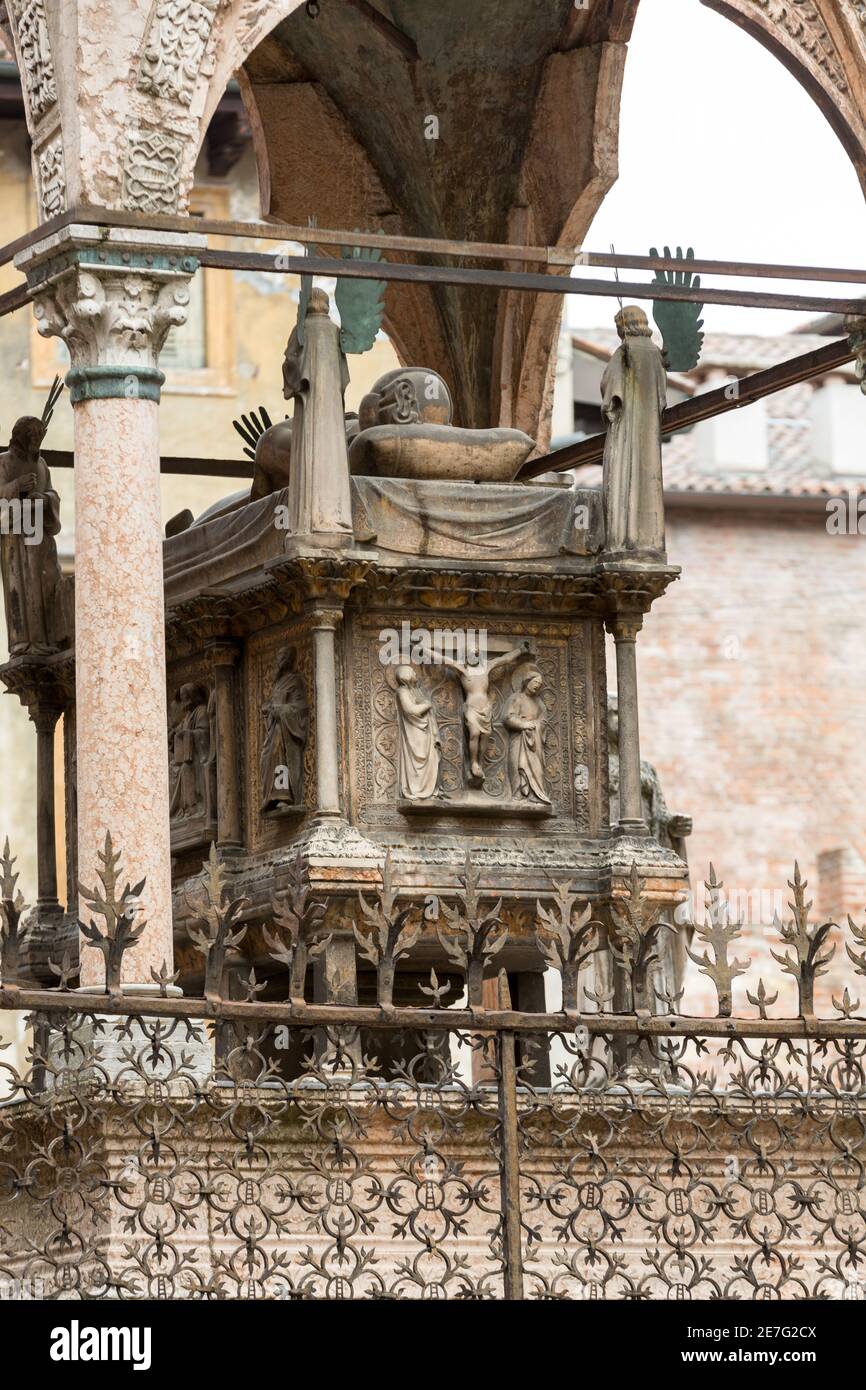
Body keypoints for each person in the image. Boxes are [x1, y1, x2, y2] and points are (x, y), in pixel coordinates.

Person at [436, 641, 533, 786]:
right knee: (474, 734)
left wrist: (520, 650)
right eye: (471, 652)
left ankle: (480, 764)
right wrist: (421, 649)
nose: (474, 654)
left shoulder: (486, 667)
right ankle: (473, 762)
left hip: (485, 709)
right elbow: (442, 660)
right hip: (472, 708)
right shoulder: (463, 670)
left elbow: (505, 659)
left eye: (476, 652)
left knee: (486, 736)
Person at [260, 646, 308, 812]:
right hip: (275, 727)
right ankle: (271, 796)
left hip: (285, 728)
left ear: (288, 660)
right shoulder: (277, 683)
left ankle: (283, 795)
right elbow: (273, 705)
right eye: (278, 657)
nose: (279, 661)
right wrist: (269, 709)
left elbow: (301, 707)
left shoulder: (295, 681)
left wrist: (282, 710)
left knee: (279, 754)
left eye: (283, 657)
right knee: (266, 756)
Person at [503, 668, 551, 803]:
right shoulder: (516, 698)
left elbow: (543, 721)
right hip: (519, 740)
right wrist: (524, 724)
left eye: (540, 685)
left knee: (537, 770)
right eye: (535, 682)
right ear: (527, 681)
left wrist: (536, 725)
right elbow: (508, 718)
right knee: (518, 765)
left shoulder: (539, 703)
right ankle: (518, 795)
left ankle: (534, 796)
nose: (537, 686)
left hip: (535, 743)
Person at [394, 665, 441, 800]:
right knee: (417, 759)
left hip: (424, 731)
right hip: (414, 733)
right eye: (413, 673)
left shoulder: (414, 691)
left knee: (431, 758)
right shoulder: (402, 692)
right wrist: (427, 705)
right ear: (407, 676)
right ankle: (417, 789)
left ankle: (428, 789)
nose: (416, 674)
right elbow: (410, 710)